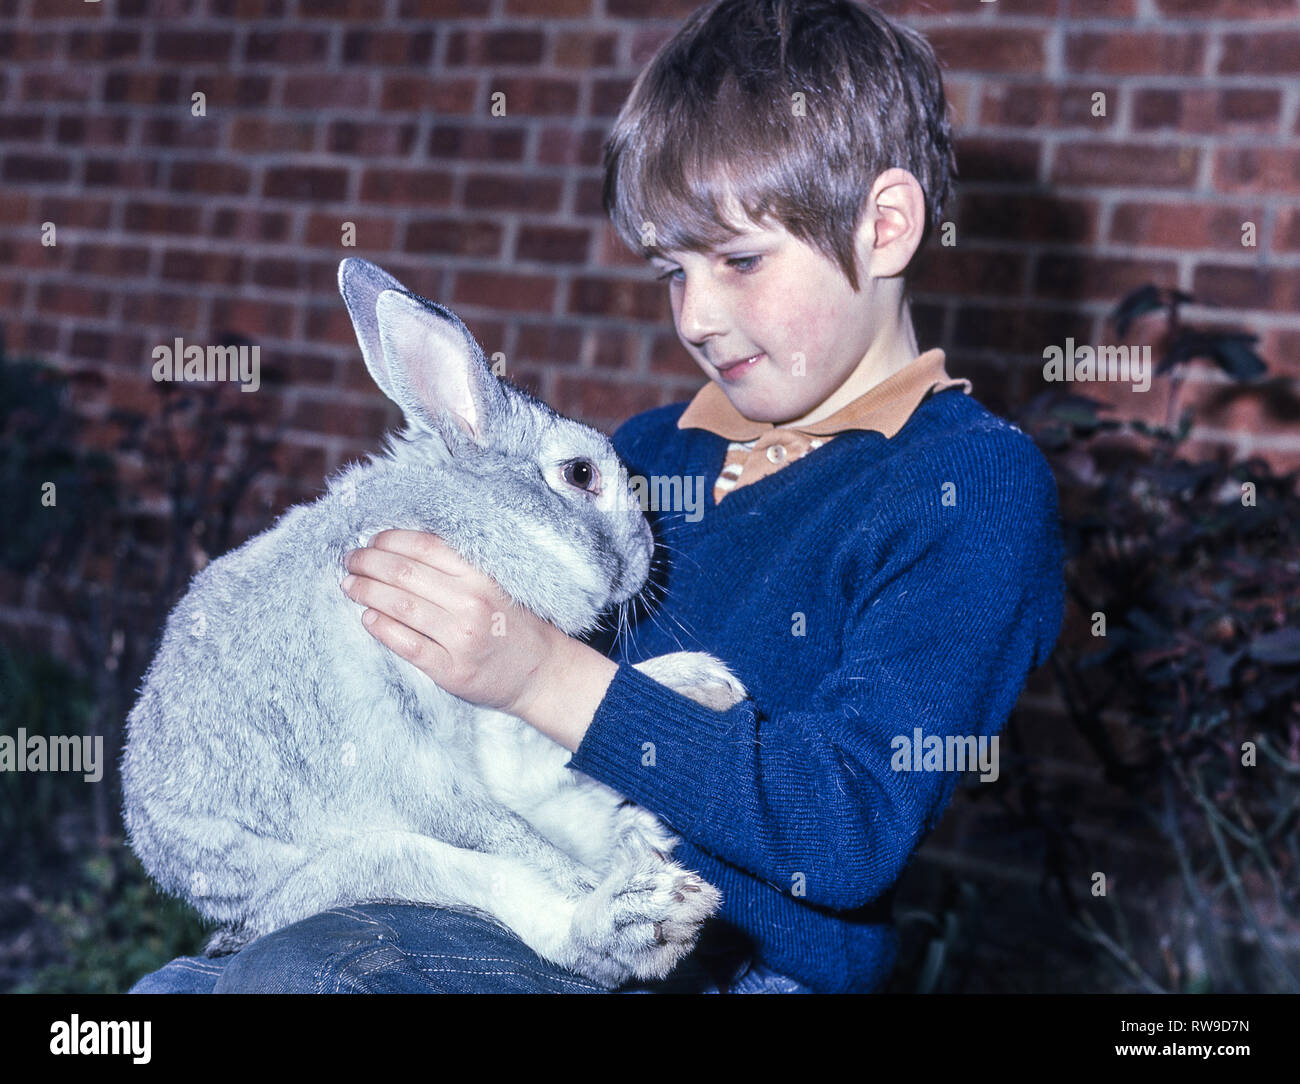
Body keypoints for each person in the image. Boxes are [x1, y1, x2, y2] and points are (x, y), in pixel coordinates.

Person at [129, 0, 1063, 995]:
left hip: (721, 966)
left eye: (738, 260)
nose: (696, 315)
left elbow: (845, 828)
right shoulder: (654, 451)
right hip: (520, 903)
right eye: (672, 270)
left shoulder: (966, 487)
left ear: (883, 226)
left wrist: (536, 674)